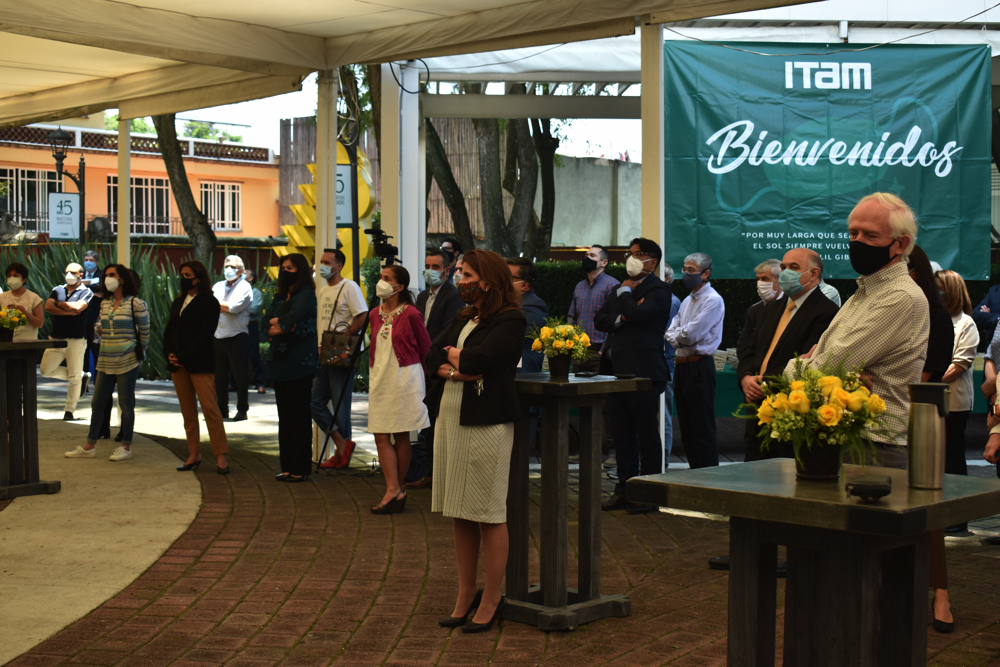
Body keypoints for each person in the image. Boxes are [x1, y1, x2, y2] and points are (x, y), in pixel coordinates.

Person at [708, 247, 838, 573]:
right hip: (758, 405)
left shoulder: (825, 311)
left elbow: (810, 361)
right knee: (754, 479)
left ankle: (795, 555)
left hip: (792, 408)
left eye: (794, 267)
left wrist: (771, 385)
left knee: (789, 482)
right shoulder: (773, 307)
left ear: (814, 274)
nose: (786, 272)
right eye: (783, 266)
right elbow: (748, 347)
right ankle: (749, 549)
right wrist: (746, 377)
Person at [426, 249, 525, 633]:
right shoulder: (465, 315)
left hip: (487, 422)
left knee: (487, 511)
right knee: (459, 508)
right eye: (460, 273)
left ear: (488, 279)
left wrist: (458, 360)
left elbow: (479, 360)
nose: (460, 280)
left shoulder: (511, 319)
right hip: (452, 413)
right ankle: (465, 592)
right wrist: (454, 367)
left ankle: (492, 597)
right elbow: (432, 353)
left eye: (467, 274)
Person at [596, 238, 673, 512]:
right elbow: (600, 320)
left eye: (639, 254)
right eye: (631, 253)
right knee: (621, 435)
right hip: (615, 374)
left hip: (644, 372)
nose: (633, 258)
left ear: (653, 260)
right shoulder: (620, 288)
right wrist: (623, 315)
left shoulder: (660, 290)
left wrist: (626, 299)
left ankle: (648, 494)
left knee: (646, 435)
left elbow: (640, 315)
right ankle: (625, 489)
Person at [65, 265, 149, 461]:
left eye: (111, 275)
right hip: (105, 359)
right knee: (97, 402)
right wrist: (100, 330)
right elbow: (96, 327)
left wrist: (138, 353)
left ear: (122, 279)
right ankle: (89, 445)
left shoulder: (136, 303)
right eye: (106, 276)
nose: (107, 278)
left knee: (126, 404)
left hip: (128, 360)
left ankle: (126, 447)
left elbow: (145, 333)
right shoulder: (105, 303)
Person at [367, 265, 431, 513]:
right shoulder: (375, 314)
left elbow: (426, 347)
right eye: (381, 277)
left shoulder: (411, 313)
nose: (381, 281)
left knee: (401, 434)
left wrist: (431, 377)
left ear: (399, 286)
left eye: (386, 278)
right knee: (380, 434)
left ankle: (395, 490)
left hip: (405, 379)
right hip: (380, 377)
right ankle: (394, 488)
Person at [409, 247, 467, 490]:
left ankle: (437, 474)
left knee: (436, 422)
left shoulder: (453, 296)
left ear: (447, 270)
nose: (430, 271)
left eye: (435, 267)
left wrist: (431, 358)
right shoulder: (422, 297)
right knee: (426, 423)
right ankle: (429, 473)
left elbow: (445, 334)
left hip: (437, 367)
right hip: (420, 368)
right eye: (427, 266)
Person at [164, 261, 229, 474]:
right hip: (178, 365)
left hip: (199, 363)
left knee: (210, 408)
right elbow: (169, 330)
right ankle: (194, 453)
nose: (183, 278)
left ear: (198, 278)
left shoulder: (209, 302)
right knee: (187, 411)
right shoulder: (179, 301)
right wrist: (170, 355)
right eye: (181, 274)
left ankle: (221, 455)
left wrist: (183, 356)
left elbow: (204, 335)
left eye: (187, 274)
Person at [665, 252, 725, 469]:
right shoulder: (687, 300)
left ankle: (708, 478)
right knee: (687, 428)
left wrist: (678, 336)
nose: (686, 274)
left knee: (702, 428)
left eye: (691, 270)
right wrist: (679, 336)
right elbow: (671, 332)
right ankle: (694, 474)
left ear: (706, 273)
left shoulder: (713, 300)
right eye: (684, 269)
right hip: (681, 367)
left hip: (700, 365)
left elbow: (691, 335)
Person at [266, 253, 319, 483]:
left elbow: (291, 320)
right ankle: (286, 467)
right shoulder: (280, 295)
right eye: (284, 267)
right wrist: (281, 325)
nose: (286, 271)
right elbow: (265, 321)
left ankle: (300, 468)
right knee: (284, 417)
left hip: (300, 363)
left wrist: (281, 324)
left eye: (291, 267)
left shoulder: (306, 294)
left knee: (299, 417)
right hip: (280, 362)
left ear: (301, 270)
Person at [313, 248, 367, 470]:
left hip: (341, 353)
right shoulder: (324, 290)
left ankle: (341, 453)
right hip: (323, 353)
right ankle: (342, 443)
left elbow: (362, 316)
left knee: (340, 404)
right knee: (314, 402)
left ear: (339, 265)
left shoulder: (349, 287)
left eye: (327, 262)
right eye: (321, 261)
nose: (323, 265)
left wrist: (342, 341)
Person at [936, 270, 978, 533]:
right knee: (934, 462)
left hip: (954, 403)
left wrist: (929, 381)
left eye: (940, 287)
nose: (935, 291)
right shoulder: (933, 320)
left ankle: (957, 520)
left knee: (953, 460)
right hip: (932, 401)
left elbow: (960, 363)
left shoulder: (966, 323)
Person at [40, 262, 94, 420]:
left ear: (80, 275)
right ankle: (81, 376)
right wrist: (66, 310)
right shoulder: (57, 290)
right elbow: (48, 307)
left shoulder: (86, 292)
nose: (69, 275)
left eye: (73, 272)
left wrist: (59, 305)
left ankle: (69, 410)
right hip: (56, 338)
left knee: (74, 378)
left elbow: (78, 308)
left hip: (76, 340)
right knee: (46, 370)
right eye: (67, 272)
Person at [212, 255, 253, 421]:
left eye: (233, 267)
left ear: (241, 270)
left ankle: (242, 409)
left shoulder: (245, 287)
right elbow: (212, 306)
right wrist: (221, 307)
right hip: (218, 334)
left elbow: (234, 308)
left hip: (237, 335)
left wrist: (218, 305)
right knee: (219, 377)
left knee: (240, 376)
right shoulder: (217, 286)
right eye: (227, 266)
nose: (229, 270)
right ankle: (222, 409)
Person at [567, 245, 619, 373]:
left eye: (592, 256)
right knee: (577, 391)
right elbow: (571, 317)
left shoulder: (612, 285)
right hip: (579, 353)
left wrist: (603, 349)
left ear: (604, 262)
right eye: (586, 256)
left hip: (600, 353)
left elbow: (615, 320)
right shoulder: (579, 286)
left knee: (600, 392)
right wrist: (572, 342)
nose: (587, 258)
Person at [735, 259, 782, 364]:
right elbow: (743, 345)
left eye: (765, 279)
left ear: (780, 280)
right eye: (758, 279)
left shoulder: (791, 307)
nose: (760, 283)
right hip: (754, 371)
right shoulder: (755, 310)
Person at [506, 257, 548, 373]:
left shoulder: (533, 305)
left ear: (525, 285)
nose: (501, 281)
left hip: (521, 374)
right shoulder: (506, 304)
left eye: (508, 278)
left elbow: (513, 338)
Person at [661, 264, 681, 464]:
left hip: (665, 366)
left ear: (667, 279)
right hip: (657, 365)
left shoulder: (672, 303)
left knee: (664, 414)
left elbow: (668, 337)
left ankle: (662, 462)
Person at [0, 263, 44, 341]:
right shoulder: (2, 297)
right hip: (5, 343)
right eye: (9, 276)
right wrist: (5, 312)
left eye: (16, 276)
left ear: (24, 279)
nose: (11, 279)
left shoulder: (34, 298)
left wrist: (24, 312)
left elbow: (40, 324)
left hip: (27, 343)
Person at [244, 269, 266, 394]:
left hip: (251, 326)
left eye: (245, 273)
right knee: (236, 355)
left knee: (254, 355)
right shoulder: (235, 292)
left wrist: (237, 307)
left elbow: (254, 309)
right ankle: (233, 383)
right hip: (238, 325)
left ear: (251, 278)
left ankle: (259, 383)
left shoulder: (256, 293)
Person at [972, 282, 1000, 352]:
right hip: (992, 353)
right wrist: (997, 320)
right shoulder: (994, 290)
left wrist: (987, 322)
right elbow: (974, 316)